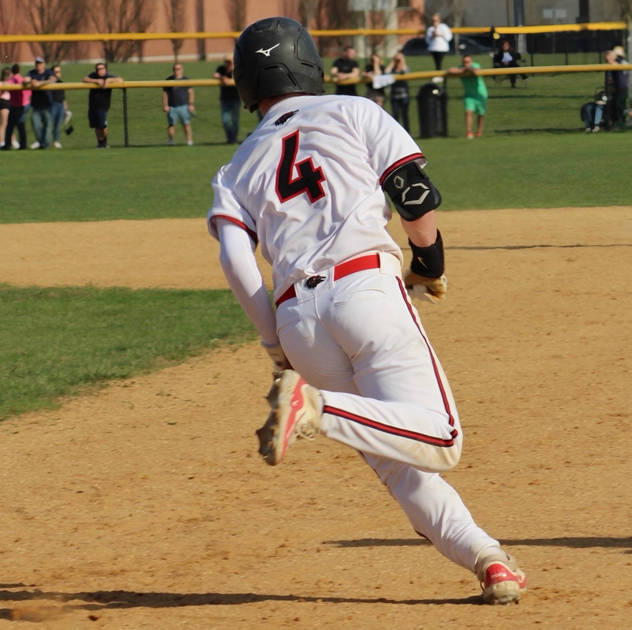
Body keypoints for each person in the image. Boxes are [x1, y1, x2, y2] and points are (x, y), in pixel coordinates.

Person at [208, 16, 528, 606]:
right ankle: (317, 408)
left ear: (248, 83)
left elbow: (236, 259)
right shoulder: (351, 110)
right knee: (442, 439)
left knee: (398, 461)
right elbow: (412, 192)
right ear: (309, 63)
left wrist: (275, 344)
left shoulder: (235, 167)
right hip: (365, 290)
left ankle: (486, 559)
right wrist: (429, 263)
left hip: (296, 320)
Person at [447, 54, 487, 139]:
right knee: (468, 112)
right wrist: (464, 70)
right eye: (464, 62)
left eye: (468, 62)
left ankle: (479, 131)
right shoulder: (461, 67)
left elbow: (475, 72)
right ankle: (469, 132)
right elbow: (450, 70)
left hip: (480, 93)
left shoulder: (475, 65)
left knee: (481, 114)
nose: (466, 63)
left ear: (471, 62)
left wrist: (467, 70)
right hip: (469, 95)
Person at [84, 62, 122, 148]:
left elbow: (120, 80)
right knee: (96, 126)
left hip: (103, 105)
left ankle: (104, 142)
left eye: (102, 69)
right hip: (92, 105)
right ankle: (100, 143)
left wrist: (107, 81)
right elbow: (84, 79)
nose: (100, 71)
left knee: (102, 125)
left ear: (105, 69)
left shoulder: (108, 76)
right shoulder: (93, 75)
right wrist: (97, 81)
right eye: (98, 69)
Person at [162, 62, 195, 146]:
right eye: (175, 69)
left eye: (178, 69)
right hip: (172, 106)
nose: (176, 71)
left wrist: (191, 104)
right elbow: (165, 93)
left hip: (184, 106)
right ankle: (171, 140)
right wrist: (165, 105)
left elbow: (190, 92)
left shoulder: (186, 79)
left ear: (182, 70)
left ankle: (189, 141)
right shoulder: (169, 80)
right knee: (171, 125)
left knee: (186, 124)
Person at [27, 56, 55, 149]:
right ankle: (42, 143)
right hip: (36, 105)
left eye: (40, 63)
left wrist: (39, 83)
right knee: (36, 125)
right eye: (37, 63)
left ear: (44, 64)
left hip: (47, 104)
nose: (38, 65)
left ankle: (45, 145)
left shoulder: (48, 72)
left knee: (47, 126)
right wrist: (31, 81)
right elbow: (26, 79)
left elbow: (52, 80)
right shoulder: (32, 73)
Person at [213, 54, 242, 144]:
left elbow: (237, 77)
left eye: (230, 61)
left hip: (235, 99)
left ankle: (233, 138)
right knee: (225, 120)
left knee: (235, 120)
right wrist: (222, 77)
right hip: (224, 99)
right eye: (226, 61)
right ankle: (230, 137)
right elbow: (215, 75)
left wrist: (229, 76)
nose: (228, 63)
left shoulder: (237, 68)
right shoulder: (221, 69)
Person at [4, 63, 32, 150]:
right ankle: (23, 144)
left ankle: (8, 144)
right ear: (19, 70)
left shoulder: (12, 80)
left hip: (15, 105)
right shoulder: (22, 79)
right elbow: (29, 92)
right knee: (20, 125)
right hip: (24, 104)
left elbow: (7, 86)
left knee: (11, 126)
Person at [603, 46, 630, 130]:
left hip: (622, 87)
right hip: (619, 87)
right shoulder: (620, 61)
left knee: (619, 105)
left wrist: (610, 59)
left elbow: (615, 64)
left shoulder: (620, 61)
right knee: (616, 105)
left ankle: (620, 123)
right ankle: (617, 123)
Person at [385, 52, 412, 133]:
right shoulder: (392, 69)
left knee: (405, 115)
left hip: (404, 95)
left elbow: (405, 71)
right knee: (395, 115)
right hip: (394, 95)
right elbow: (386, 72)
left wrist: (402, 60)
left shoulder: (404, 68)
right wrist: (393, 62)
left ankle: (407, 132)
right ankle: (396, 132)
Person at [48, 64, 68, 149]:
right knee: (49, 124)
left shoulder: (61, 82)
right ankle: (45, 141)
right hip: (52, 105)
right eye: (56, 72)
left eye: (59, 72)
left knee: (57, 125)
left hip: (60, 105)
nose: (58, 73)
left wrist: (65, 108)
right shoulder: (49, 83)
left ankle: (55, 141)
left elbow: (63, 97)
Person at [0, 67, 13, 149]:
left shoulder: (11, 82)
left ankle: (12, 141)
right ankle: (1, 142)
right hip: (4, 103)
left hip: (11, 103)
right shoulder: (0, 83)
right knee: (4, 124)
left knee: (10, 124)